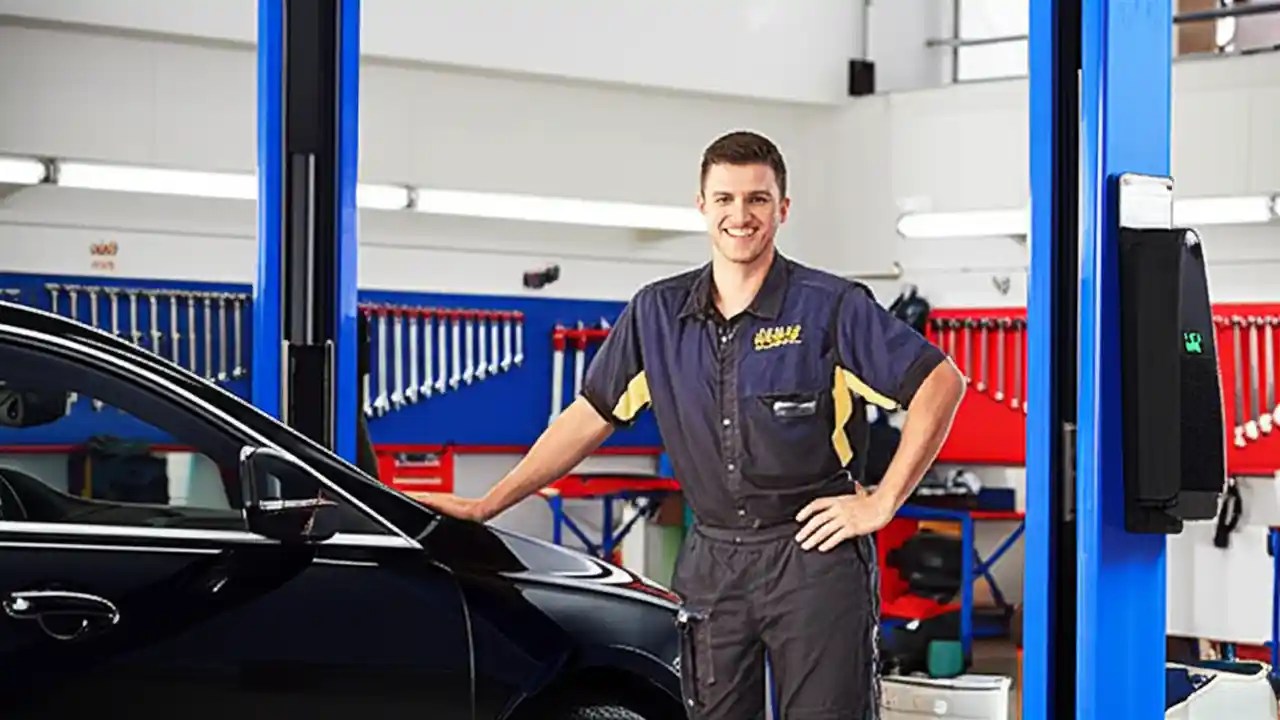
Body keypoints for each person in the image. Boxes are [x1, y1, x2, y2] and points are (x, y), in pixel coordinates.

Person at [418, 130, 966, 719]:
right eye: (725, 198)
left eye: (757, 199)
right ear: (702, 205)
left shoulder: (829, 308)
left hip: (814, 559)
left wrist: (884, 501)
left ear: (782, 209)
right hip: (712, 561)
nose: (741, 214)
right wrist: (489, 503)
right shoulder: (656, 315)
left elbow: (940, 382)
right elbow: (588, 416)